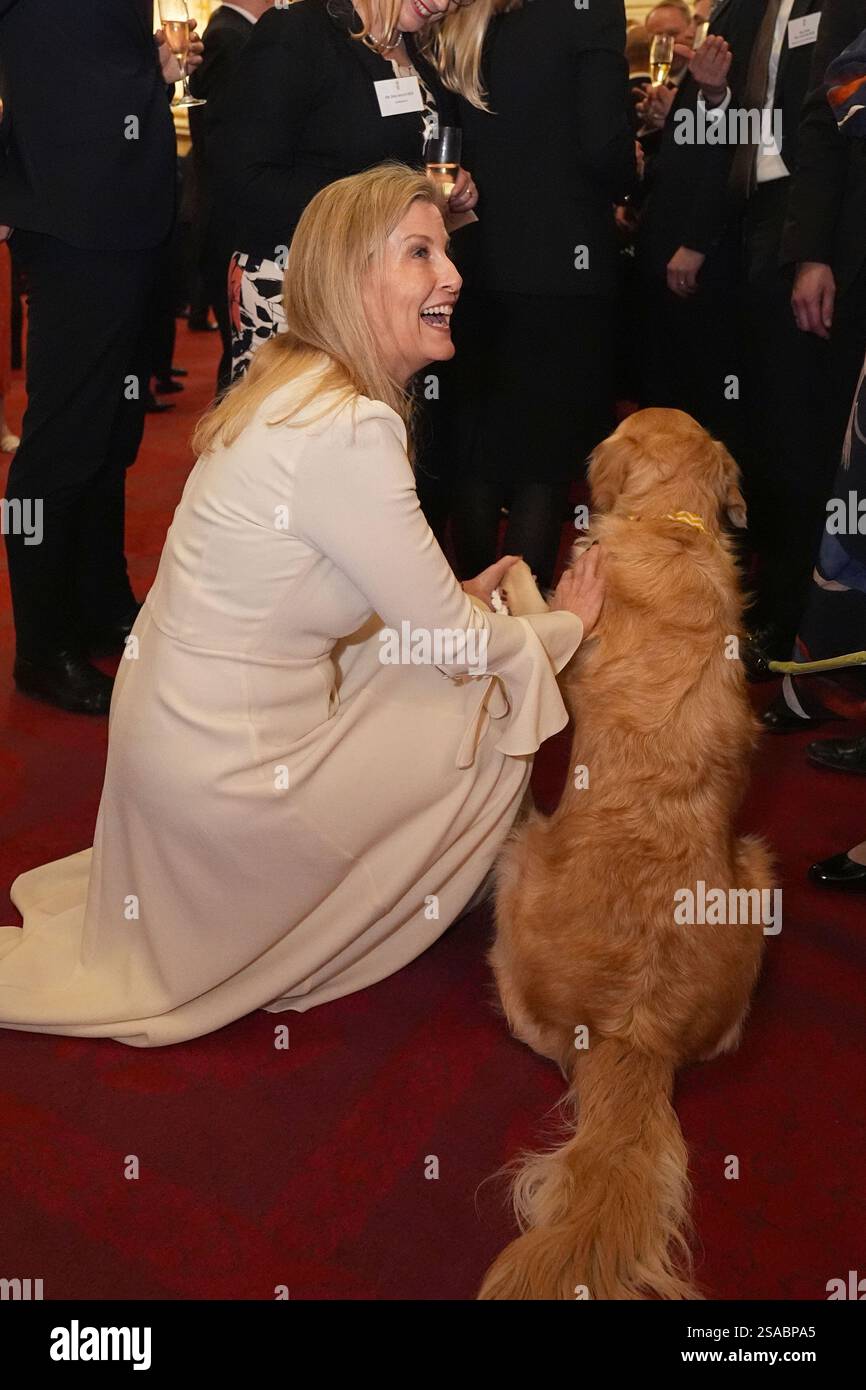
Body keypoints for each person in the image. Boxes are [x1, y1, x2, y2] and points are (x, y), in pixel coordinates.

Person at [0, 163, 603, 1048]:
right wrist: (566, 626)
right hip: (227, 783)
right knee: (492, 692)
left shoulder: (291, 380)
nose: (453, 275)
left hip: (168, 753)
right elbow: (452, 645)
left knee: (474, 645)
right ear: (353, 278)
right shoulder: (351, 428)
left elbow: (331, 584)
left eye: (445, 251)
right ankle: (406, 882)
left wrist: (466, 601)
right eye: (420, 253)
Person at [0, 0, 201, 716]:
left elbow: (98, 63)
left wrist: (156, 67)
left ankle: (101, 605)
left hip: (134, 212)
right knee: (61, 442)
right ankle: (42, 645)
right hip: (70, 221)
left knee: (112, 433)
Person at [436, 0, 636, 590]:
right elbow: (604, 144)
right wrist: (631, 173)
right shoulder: (589, 11)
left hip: (472, 258)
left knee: (478, 451)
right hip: (563, 269)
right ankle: (522, 625)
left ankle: (475, 613)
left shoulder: (465, 14)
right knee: (543, 462)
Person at [210, 0, 479, 381]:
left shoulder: (418, 50)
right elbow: (244, 180)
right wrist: (386, 205)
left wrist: (445, 192)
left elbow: (408, 161)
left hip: (382, 293)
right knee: (293, 413)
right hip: (299, 286)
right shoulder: (297, 31)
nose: (442, 4)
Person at [188, 1, 274, 395]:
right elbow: (227, 139)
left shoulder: (236, 32)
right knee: (244, 363)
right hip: (230, 221)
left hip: (230, 216)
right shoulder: (228, 36)